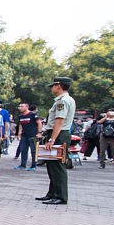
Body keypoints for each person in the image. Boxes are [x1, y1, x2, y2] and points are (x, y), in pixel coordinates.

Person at [38, 77, 75, 205]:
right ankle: (53, 193)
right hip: (58, 134)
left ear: (58, 86)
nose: (52, 88)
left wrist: (52, 139)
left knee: (58, 166)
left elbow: (59, 121)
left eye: (53, 86)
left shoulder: (63, 101)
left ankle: (60, 195)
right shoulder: (64, 100)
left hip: (59, 135)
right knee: (52, 165)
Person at [14, 102, 39, 170]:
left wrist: (39, 133)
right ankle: (23, 165)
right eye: (19, 106)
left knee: (33, 151)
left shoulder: (33, 115)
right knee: (23, 150)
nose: (20, 108)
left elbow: (39, 123)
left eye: (22, 106)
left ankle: (33, 165)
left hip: (33, 135)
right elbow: (20, 124)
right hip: (24, 135)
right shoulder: (21, 116)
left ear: (27, 107)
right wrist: (19, 133)